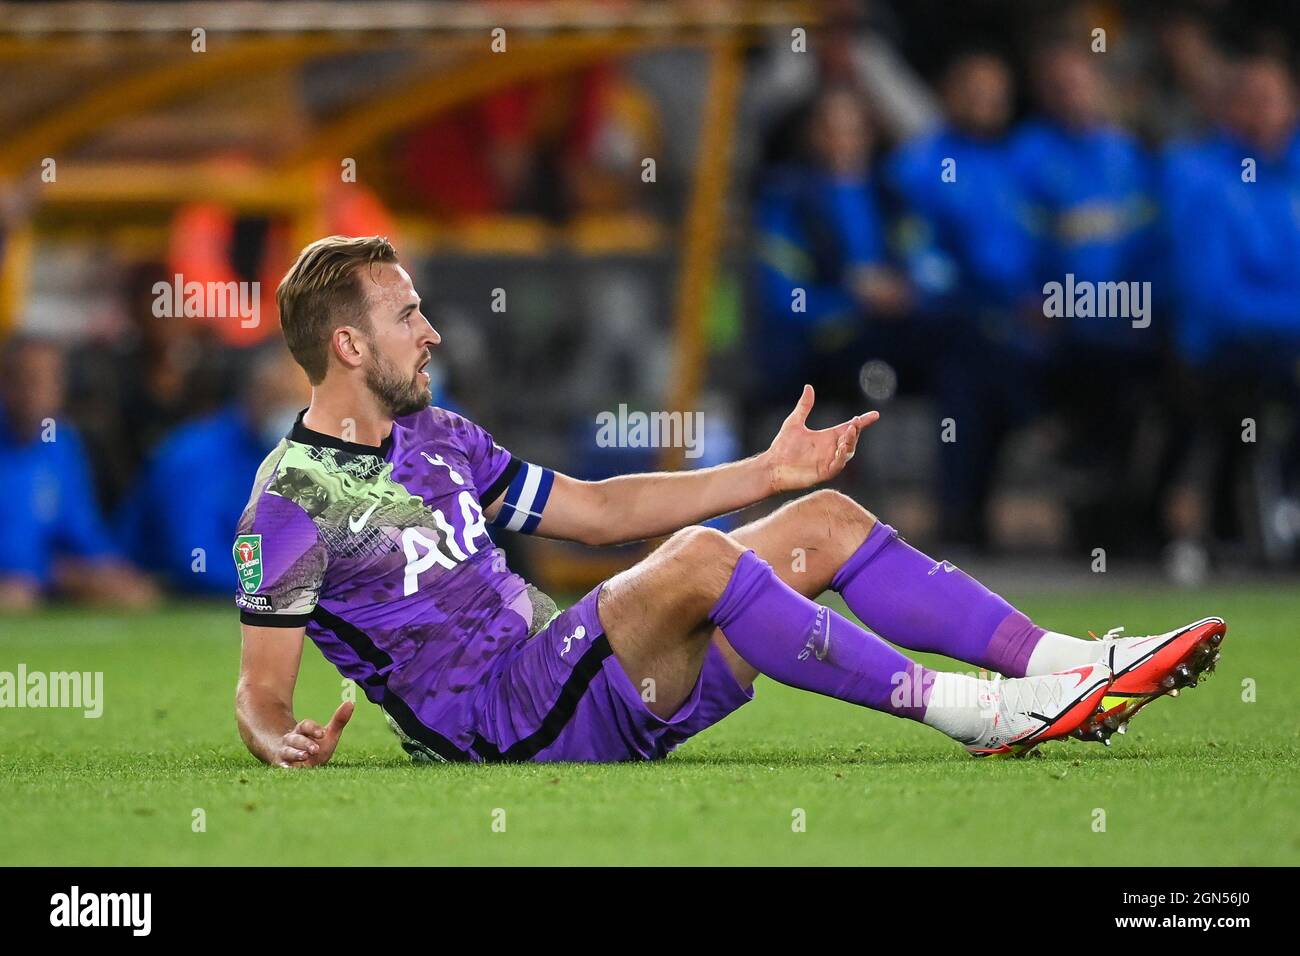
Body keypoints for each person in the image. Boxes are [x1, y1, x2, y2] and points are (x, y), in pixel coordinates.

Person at [232, 236, 1226, 768]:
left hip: (574, 676)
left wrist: (766, 472)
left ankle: (1076, 665)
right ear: (349, 346)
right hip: (495, 725)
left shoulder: (437, 434)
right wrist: (278, 732)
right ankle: (985, 714)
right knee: (703, 561)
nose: (433, 332)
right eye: (408, 314)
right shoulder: (287, 501)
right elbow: (260, 686)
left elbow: (595, 509)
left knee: (824, 521)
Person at [116, 345, 310, 595]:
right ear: (253, 394)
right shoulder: (194, 455)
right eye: (283, 399)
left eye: (302, 401)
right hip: (156, 597)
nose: (294, 413)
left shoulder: (293, 455)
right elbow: (195, 558)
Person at [0, 336, 159, 611]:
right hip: (22, 582)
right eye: (25, 380)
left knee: (133, 594)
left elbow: (82, 528)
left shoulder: (62, 443)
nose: (34, 392)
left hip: (44, 580)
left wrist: (111, 567)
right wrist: (52, 573)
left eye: (48, 381)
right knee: (15, 600)